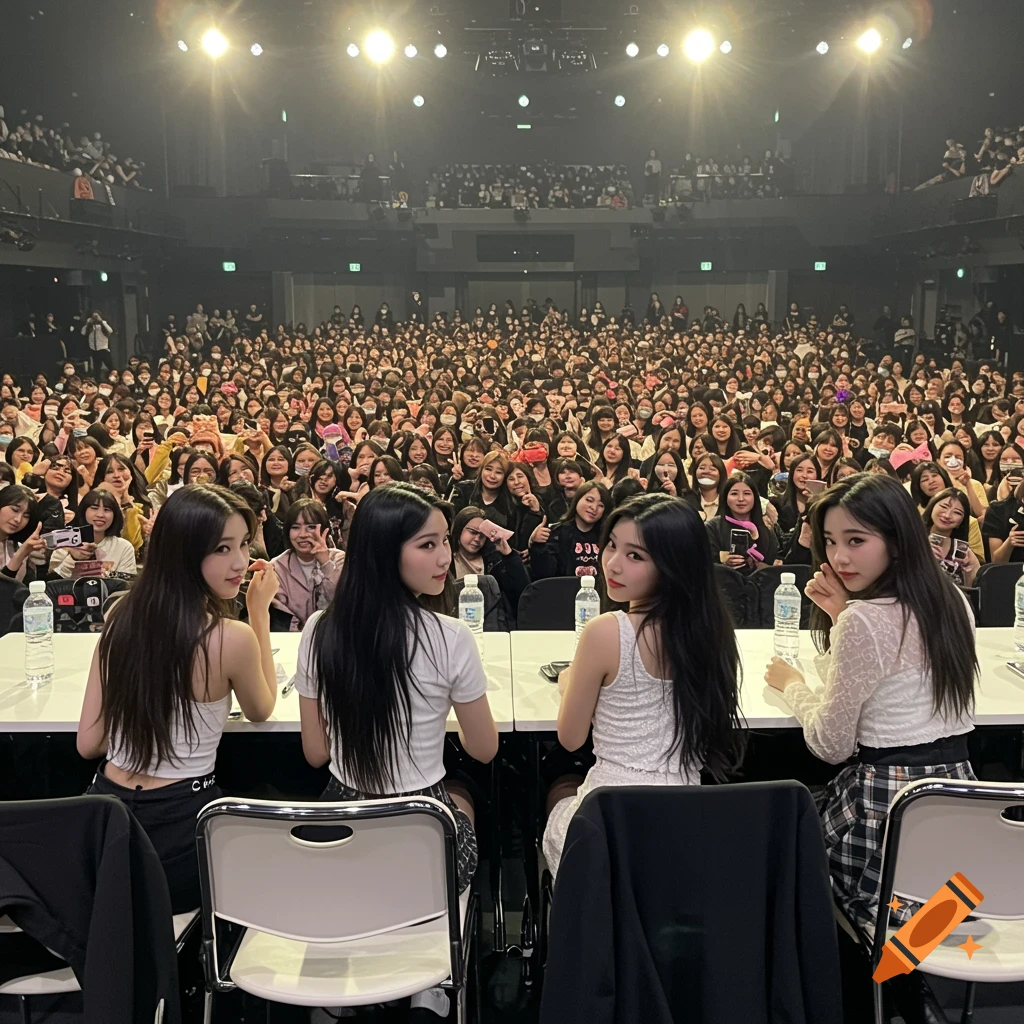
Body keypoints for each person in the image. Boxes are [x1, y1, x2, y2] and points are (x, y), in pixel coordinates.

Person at [293, 484, 497, 1015]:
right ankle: (430, 981)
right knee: (465, 804)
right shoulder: (450, 636)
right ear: (386, 552)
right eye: (427, 545)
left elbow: (316, 753)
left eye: (446, 542)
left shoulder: (320, 630)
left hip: (340, 832)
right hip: (421, 835)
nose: (445, 558)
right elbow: (484, 747)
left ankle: (338, 978)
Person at [763, 474, 976, 942]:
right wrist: (843, 620)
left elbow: (830, 744)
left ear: (896, 541)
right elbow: (885, 678)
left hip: (885, 817)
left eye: (856, 540)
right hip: (959, 824)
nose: (839, 558)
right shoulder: (953, 599)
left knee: (767, 823)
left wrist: (794, 684)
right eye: (831, 541)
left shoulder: (864, 619)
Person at [76, 485, 280, 913]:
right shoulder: (231, 638)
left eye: (244, 544)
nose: (240, 562)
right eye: (222, 548)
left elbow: (88, 743)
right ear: (184, 552)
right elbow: (262, 709)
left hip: (102, 821)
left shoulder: (119, 617)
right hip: (181, 824)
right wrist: (258, 612)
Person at [542, 493, 743, 876]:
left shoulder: (607, 631)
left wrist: (568, 682)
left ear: (673, 565)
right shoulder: (712, 631)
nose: (612, 564)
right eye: (612, 546)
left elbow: (570, 738)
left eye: (635, 555)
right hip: (685, 820)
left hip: (610, 821)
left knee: (558, 791)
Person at [269, 498, 345, 630]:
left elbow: (343, 603)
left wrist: (325, 563)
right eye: (296, 527)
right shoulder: (277, 567)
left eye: (311, 527)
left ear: (324, 530)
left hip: (336, 637)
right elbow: (283, 620)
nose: (303, 535)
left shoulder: (340, 559)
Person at [529, 480, 610, 579]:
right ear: (577, 500)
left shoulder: (607, 536)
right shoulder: (557, 532)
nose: (594, 507)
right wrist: (538, 545)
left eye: (601, 505)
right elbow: (545, 574)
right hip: (564, 592)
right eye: (589, 500)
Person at [49, 488, 137, 578]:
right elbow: (53, 582)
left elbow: (125, 586)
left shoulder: (123, 547)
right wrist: (73, 558)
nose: (100, 515)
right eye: (94, 508)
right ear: (83, 511)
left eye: (107, 510)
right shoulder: (65, 541)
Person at [705, 473, 778, 572]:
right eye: (734, 493)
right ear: (725, 497)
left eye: (747, 493)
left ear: (755, 498)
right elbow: (706, 563)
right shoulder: (712, 527)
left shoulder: (767, 528)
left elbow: (775, 563)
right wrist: (723, 563)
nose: (741, 499)